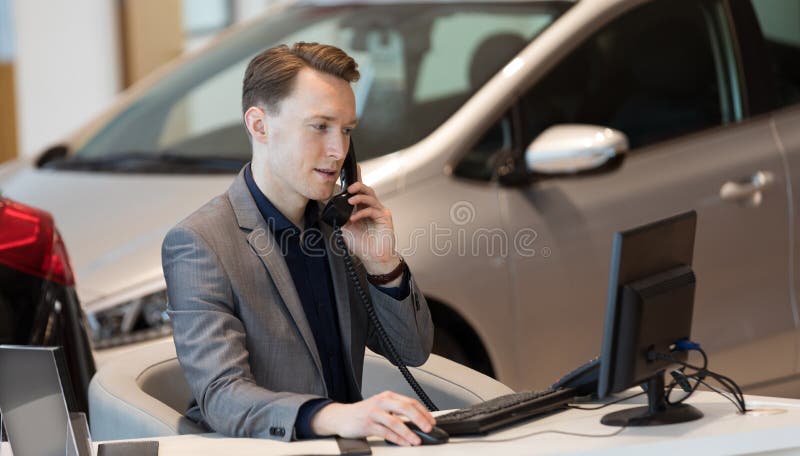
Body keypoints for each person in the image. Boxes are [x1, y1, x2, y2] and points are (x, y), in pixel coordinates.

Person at [161, 42, 435, 447]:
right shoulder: (201, 243)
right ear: (259, 126)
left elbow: (412, 351)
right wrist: (334, 416)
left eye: (346, 131)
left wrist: (383, 264)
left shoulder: (340, 227)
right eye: (320, 126)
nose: (338, 151)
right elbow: (222, 397)